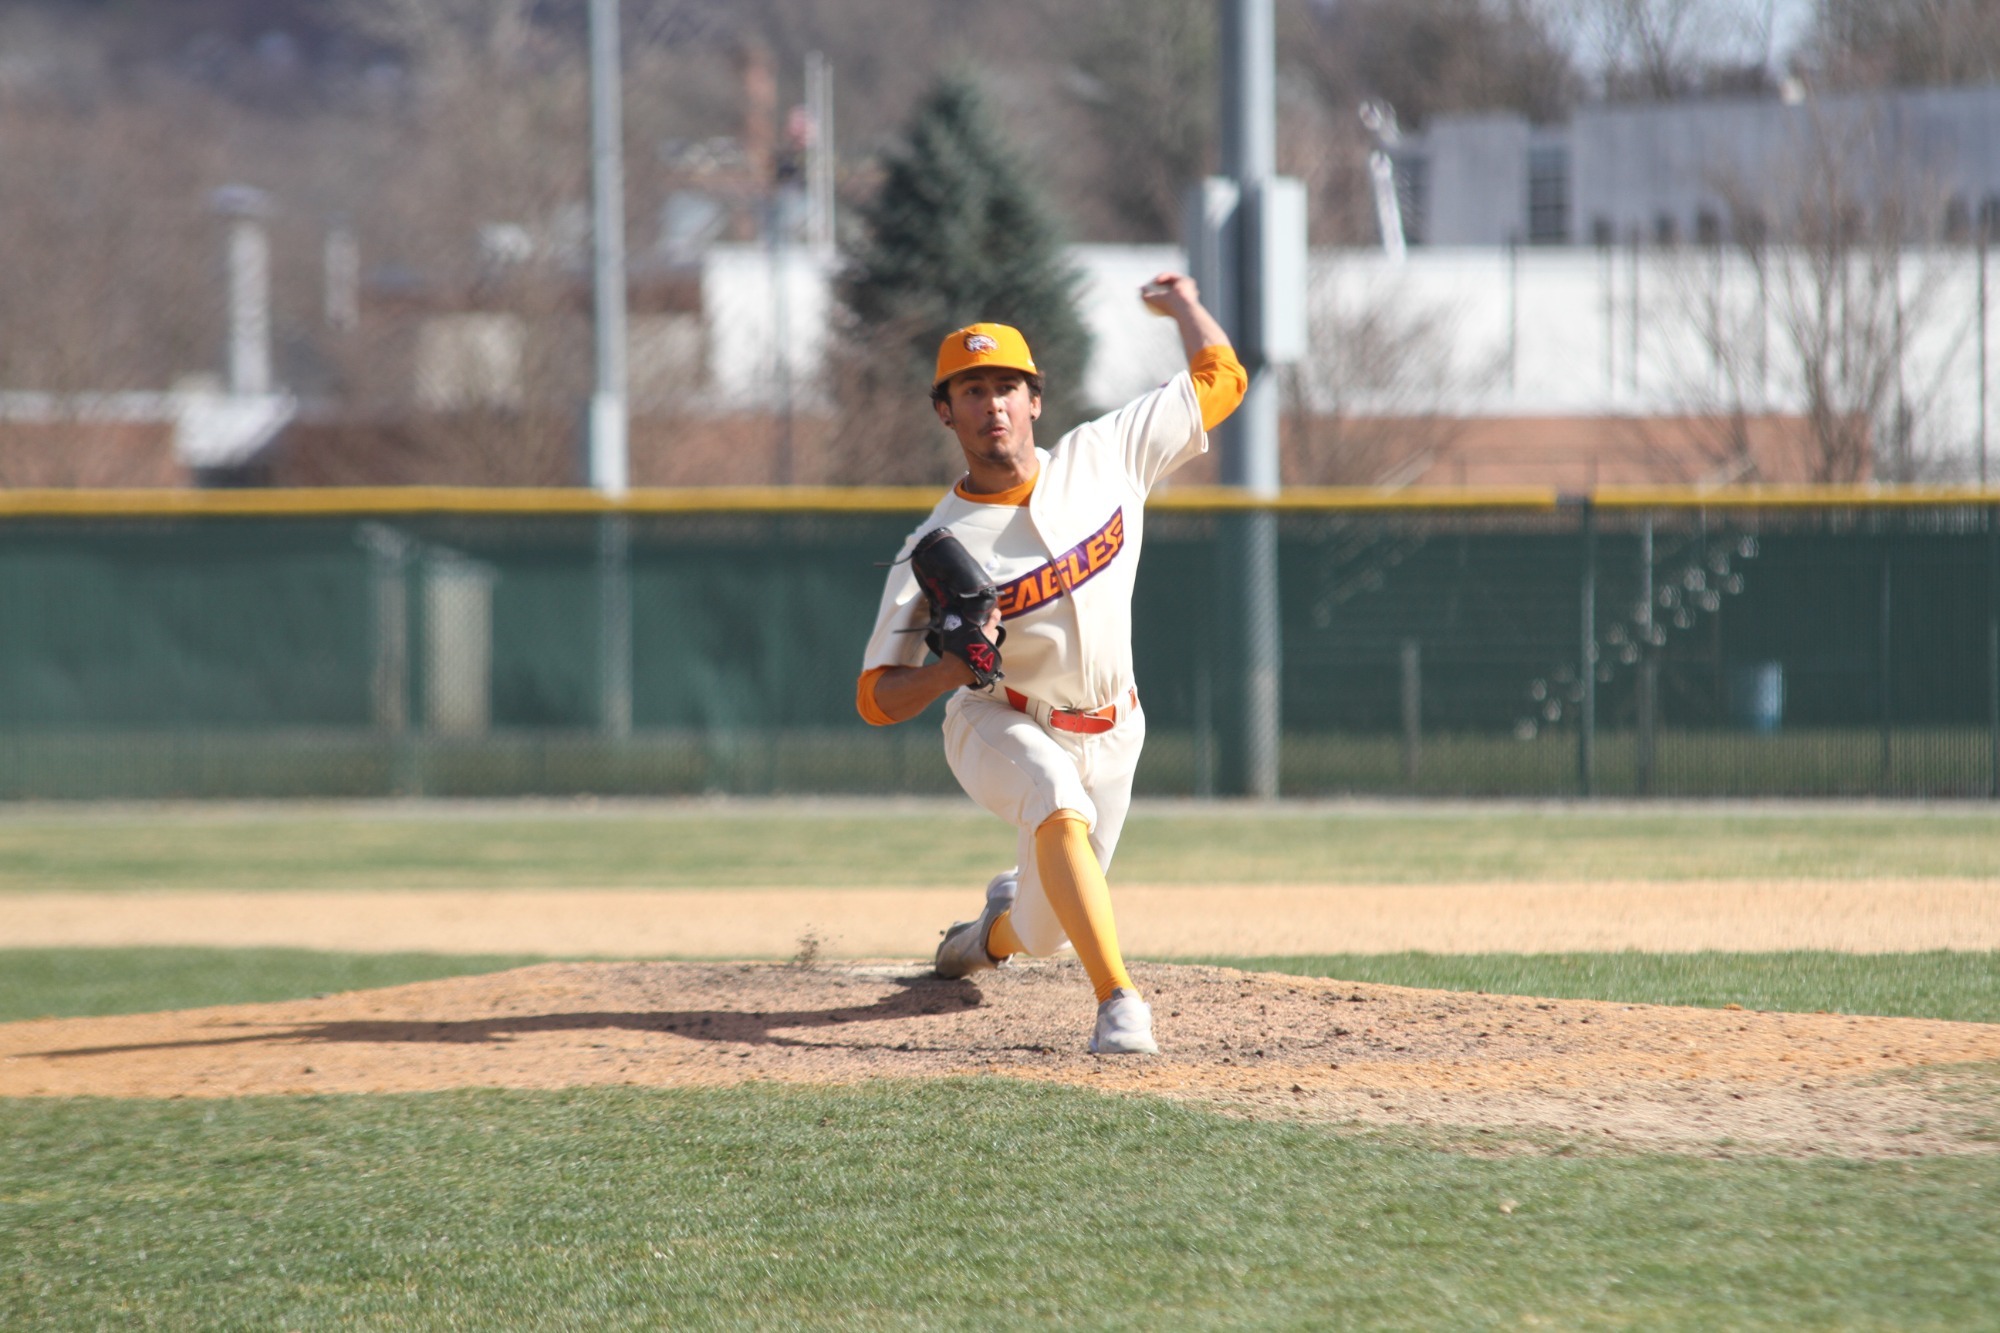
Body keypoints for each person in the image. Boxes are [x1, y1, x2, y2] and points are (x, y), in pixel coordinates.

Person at [855, 273, 1246, 1054]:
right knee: (1054, 796)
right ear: (945, 410)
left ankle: (980, 937)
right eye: (971, 390)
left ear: (1036, 399)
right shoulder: (935, 546)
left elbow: (1223, 379)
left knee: (1043, 932)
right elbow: (876, 697)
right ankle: (1120, 1004)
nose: (991, 403)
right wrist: (949, 671)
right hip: (998, 719)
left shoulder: (1106, 455)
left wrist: (1182, 304)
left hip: (1116, 726)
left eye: (1006, 386)